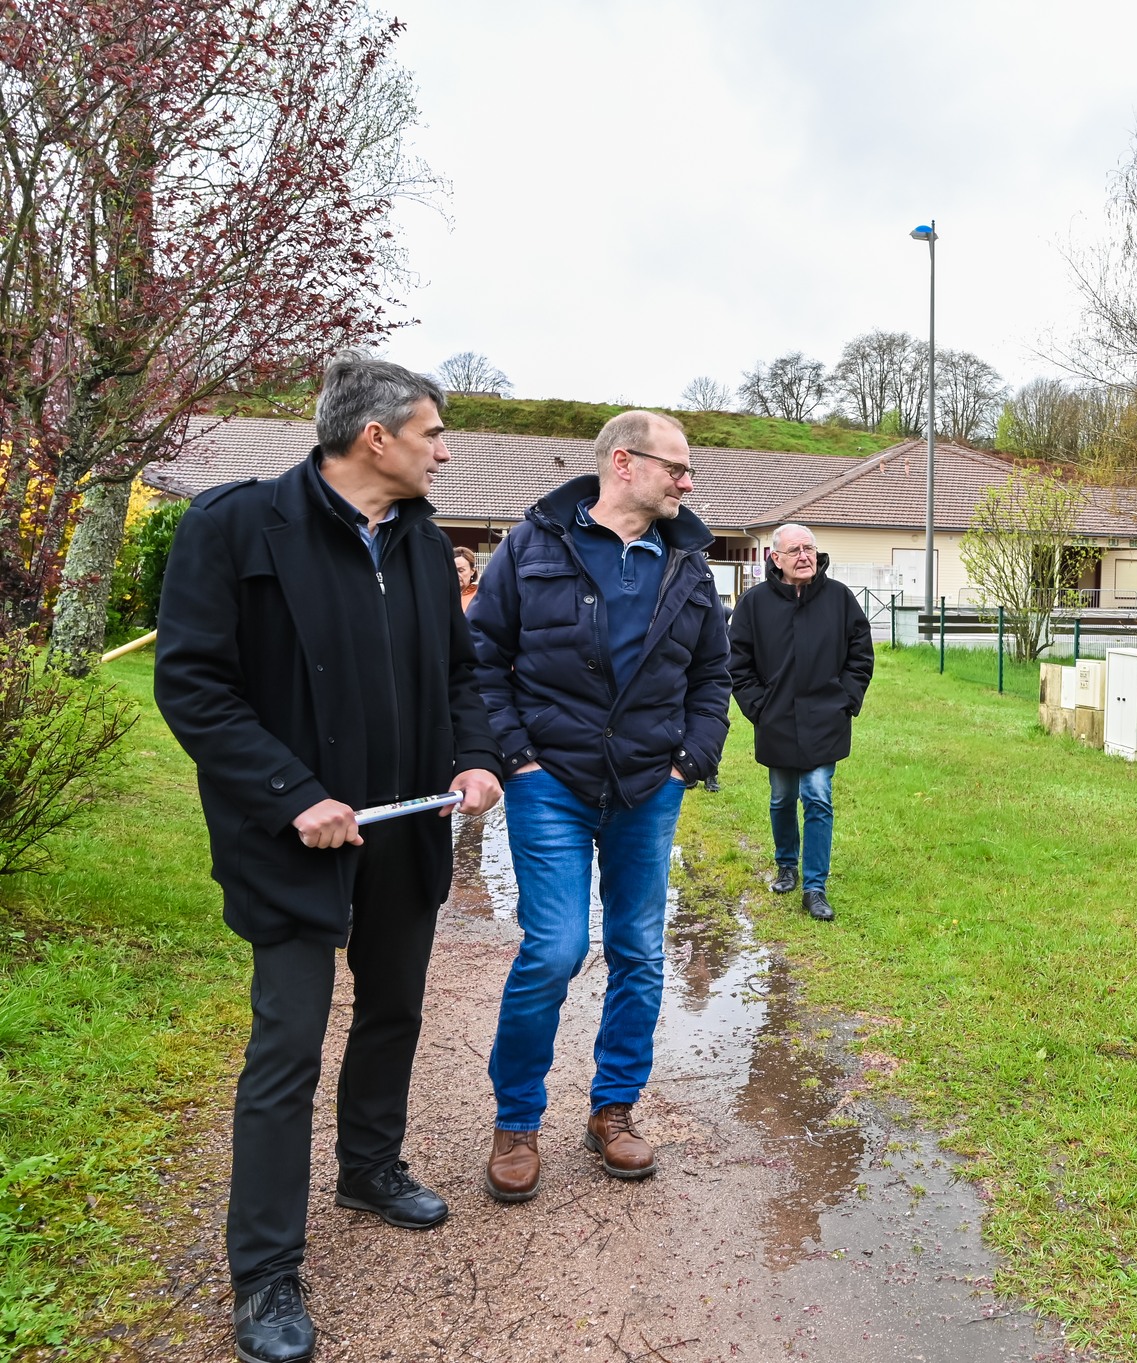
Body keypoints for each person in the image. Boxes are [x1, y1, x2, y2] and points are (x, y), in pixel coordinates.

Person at [154, 356, 503, 1363]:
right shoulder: (234, 528)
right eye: (434, 432)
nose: (446, 451)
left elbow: (462, 674)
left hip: (404, 830)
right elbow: (195, 685)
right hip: (292, 840)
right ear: (375, 438)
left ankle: (369, 1166)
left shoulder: (429, 549)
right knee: (287, 1047)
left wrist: (476, 758)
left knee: (393, 1009)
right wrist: (292, 792)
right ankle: (264, 1272)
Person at [467, 410, 731, 1202]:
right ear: (625, 462)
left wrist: (692, 760)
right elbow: (484, 656)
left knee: (640, 952)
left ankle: (612, 1111)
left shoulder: (689, 564)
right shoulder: (533, 543)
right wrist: (516, 754)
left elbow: (712, 678)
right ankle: (516, 1121)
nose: (688, 482)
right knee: (554, 948)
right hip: (549, 781)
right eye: (676, 467)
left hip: (650, 786)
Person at [727, 522, 873, 922]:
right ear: (775, 558)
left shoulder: (839, 599)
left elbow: (861, 656)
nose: (805, 556)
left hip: (825, 718)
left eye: (809, 548)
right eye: (795, 550)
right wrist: (758, 706)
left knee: (817, 795)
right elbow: (736, 663)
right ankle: (786, 864)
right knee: (781, 796)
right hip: (775, 719)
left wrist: (845, 699)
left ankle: (814, 886)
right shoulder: (754, 604)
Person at [453, 545, 480, 612]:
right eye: (452, 570)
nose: (456, 574)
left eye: (461, 570)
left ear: (472, 571)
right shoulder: (440, 595)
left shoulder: (479, 596)